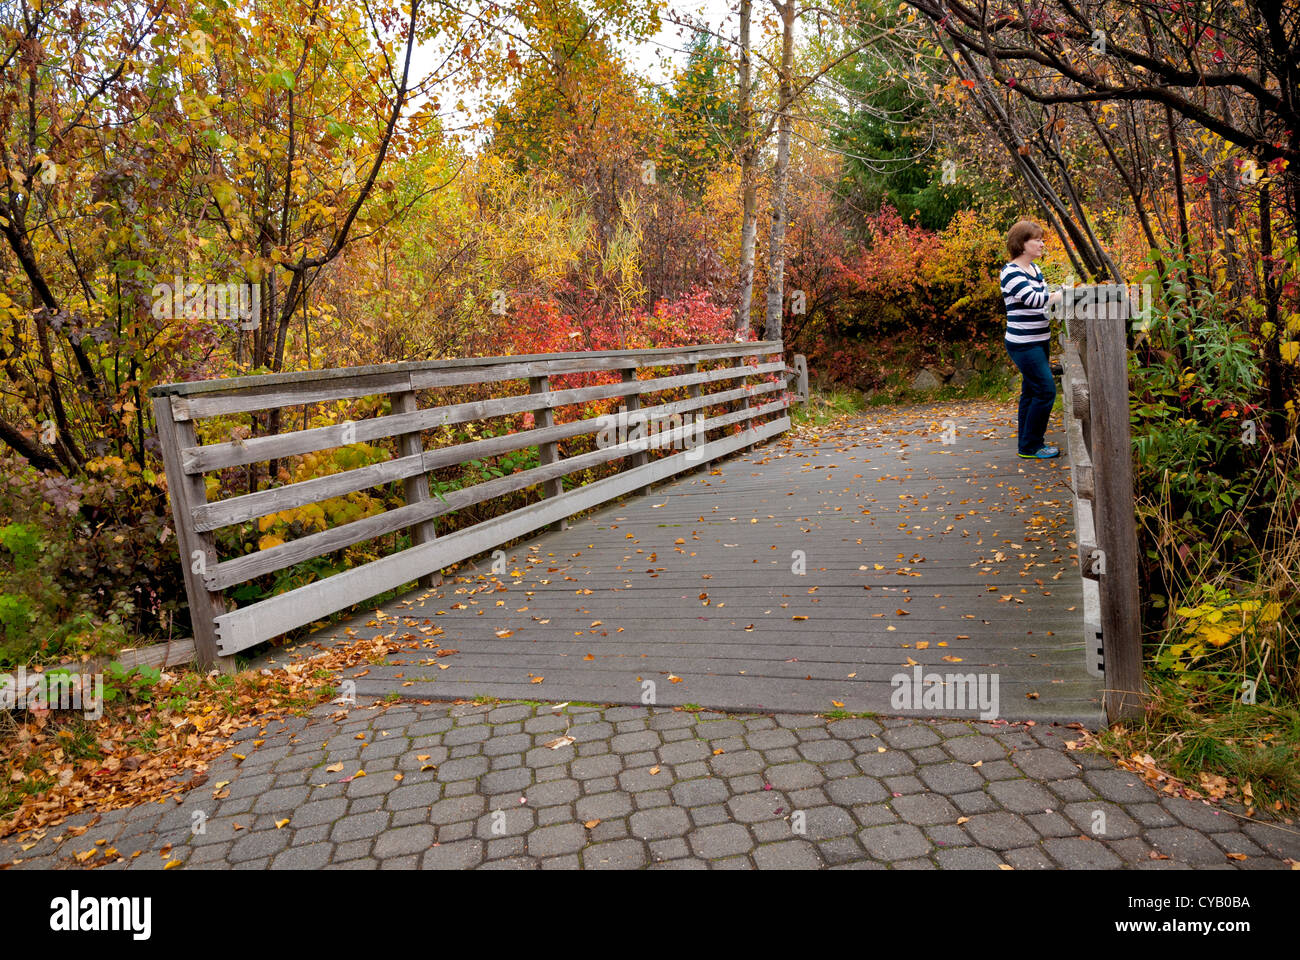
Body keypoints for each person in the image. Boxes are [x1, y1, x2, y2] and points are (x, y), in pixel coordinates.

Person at [1001, 220, 1063, 459]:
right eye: (1036, 240)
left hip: (1040, 339)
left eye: (1041, 239)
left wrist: (1057, 297)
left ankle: (1027, 446)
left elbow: (1044, 299)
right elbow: (1036, 300)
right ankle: (1033, 445)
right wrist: (1063, 294)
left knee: (1031, 391)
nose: (1041, 243)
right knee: (1046, 391)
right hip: (1023, 344)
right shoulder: (1011, 273)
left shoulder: (1035, 270)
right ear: (1022, 244)